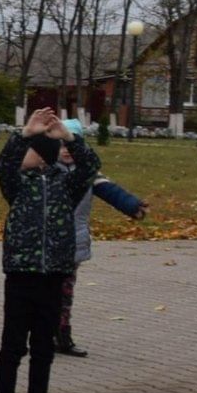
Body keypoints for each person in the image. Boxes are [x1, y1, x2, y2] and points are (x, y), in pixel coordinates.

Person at [0, 110, 97, 393]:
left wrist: (68, 137)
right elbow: (2, 165)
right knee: (13, 344)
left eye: (30, 150)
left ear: (44, 157)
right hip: (22, 272)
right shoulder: (18, 185)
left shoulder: (68, 185)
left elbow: (90, 166)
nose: (23, 155)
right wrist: (23, 134)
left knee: (44, 345)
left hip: (55, 273)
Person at [56, 119, 147, 357]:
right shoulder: (45, 171)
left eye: (70, 145)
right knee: (44, 294)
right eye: (60, 145)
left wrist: (132, 206)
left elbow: (111, 191)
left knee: (65, 292)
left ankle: (63, 336)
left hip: (74, 242)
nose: (65, 150)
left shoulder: (88, 174)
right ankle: (42, 335)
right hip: (46, 244)